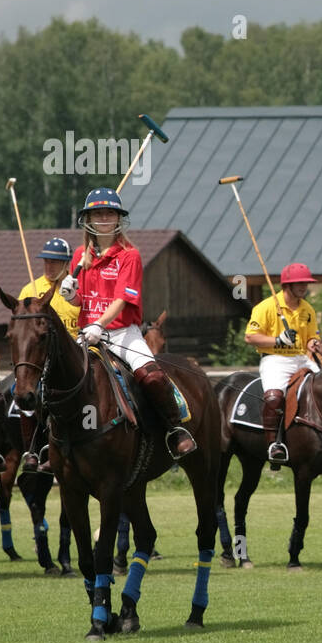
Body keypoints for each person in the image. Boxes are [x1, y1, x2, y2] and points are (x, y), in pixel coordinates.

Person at [58, 187, 196, 458]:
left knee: (152, 376)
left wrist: (100, 324)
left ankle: (175, 429)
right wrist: (71, 295)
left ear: (119, 219)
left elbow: (122, 300)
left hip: (122, 333)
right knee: (56, 377)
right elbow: (81, 301)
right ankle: (46, 442)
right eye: (98, 213)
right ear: (88, 219)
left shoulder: (129, 255)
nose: (104, 218)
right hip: (87, 333)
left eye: (110, 213)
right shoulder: (80, 256)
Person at [244, 264, 322, 465]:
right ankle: (274, 444)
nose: (304, 286)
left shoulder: (307, 309)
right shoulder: (266, 307)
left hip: (301, 358)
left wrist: (313, 342)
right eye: (299, 283)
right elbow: (250, 337)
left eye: (306, 283)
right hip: (275, 359)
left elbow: (312, 336)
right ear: (287, 285)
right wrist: (278, 340)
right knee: (274, 397)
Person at [15, 238, 80, 471]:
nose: (49, 266)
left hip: (76, 354)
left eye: (55, 262)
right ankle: (32, 449)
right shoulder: (30, 290)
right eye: (46, 261)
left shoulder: (77, 287)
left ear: (67, 263)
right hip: (42, 358)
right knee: (19, 392)